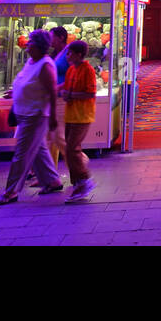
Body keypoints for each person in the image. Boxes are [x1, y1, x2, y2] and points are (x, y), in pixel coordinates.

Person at [0, 30, 64, 204]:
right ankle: (52, 181)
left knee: (22, 154)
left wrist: (53, 116)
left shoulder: (46, 65)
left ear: (39, 45)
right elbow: (27, 83)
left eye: (30, 42)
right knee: (38, 149)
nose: (27, 44)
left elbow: (52, 92)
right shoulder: (31, 62)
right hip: (24, 112)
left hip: (35, 115)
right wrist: (15, 92)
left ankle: (11, 191)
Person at [60, 40, 98, 203]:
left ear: (79, 54)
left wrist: (71, 95)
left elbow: (90, 94)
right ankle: (78, 183)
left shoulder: (88, 70)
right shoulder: (71, 70)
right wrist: (62, 92)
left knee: (71, 149)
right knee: (70, 149)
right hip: (70, 115)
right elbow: (67, 89)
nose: (67, 56)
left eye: (70, 53)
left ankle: (84, 180)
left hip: (83, 116)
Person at [47, 26, 70, 171]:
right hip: (54, 98)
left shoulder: (68, 53)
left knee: (59, 137)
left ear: (61, 37)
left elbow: (72, 74)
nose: (50, 40)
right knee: (49, 139)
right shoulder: (57, 53)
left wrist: (60, 87)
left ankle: (80, 165)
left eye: (52, 36)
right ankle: (50, 173)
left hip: (62, 99)